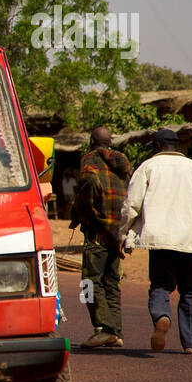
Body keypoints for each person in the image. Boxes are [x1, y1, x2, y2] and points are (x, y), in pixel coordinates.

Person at [118, 127, 192, 355]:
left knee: (161, 285)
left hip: (159, 240)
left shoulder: (148, 167)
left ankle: (162, 316)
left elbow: (131, 206)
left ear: (157, 147)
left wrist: (122, 234)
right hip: (191, 240)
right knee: (190, 290)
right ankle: (191, 342)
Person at [70, 127, 132, 348]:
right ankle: (115, 331)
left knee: (88, 283)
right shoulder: (121, 164)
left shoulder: (90, 160)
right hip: (117, 235)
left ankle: (104, 329)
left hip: (97, 235)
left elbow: (88, 186)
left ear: (91, 141)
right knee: (111, 283)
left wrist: (81, 214)